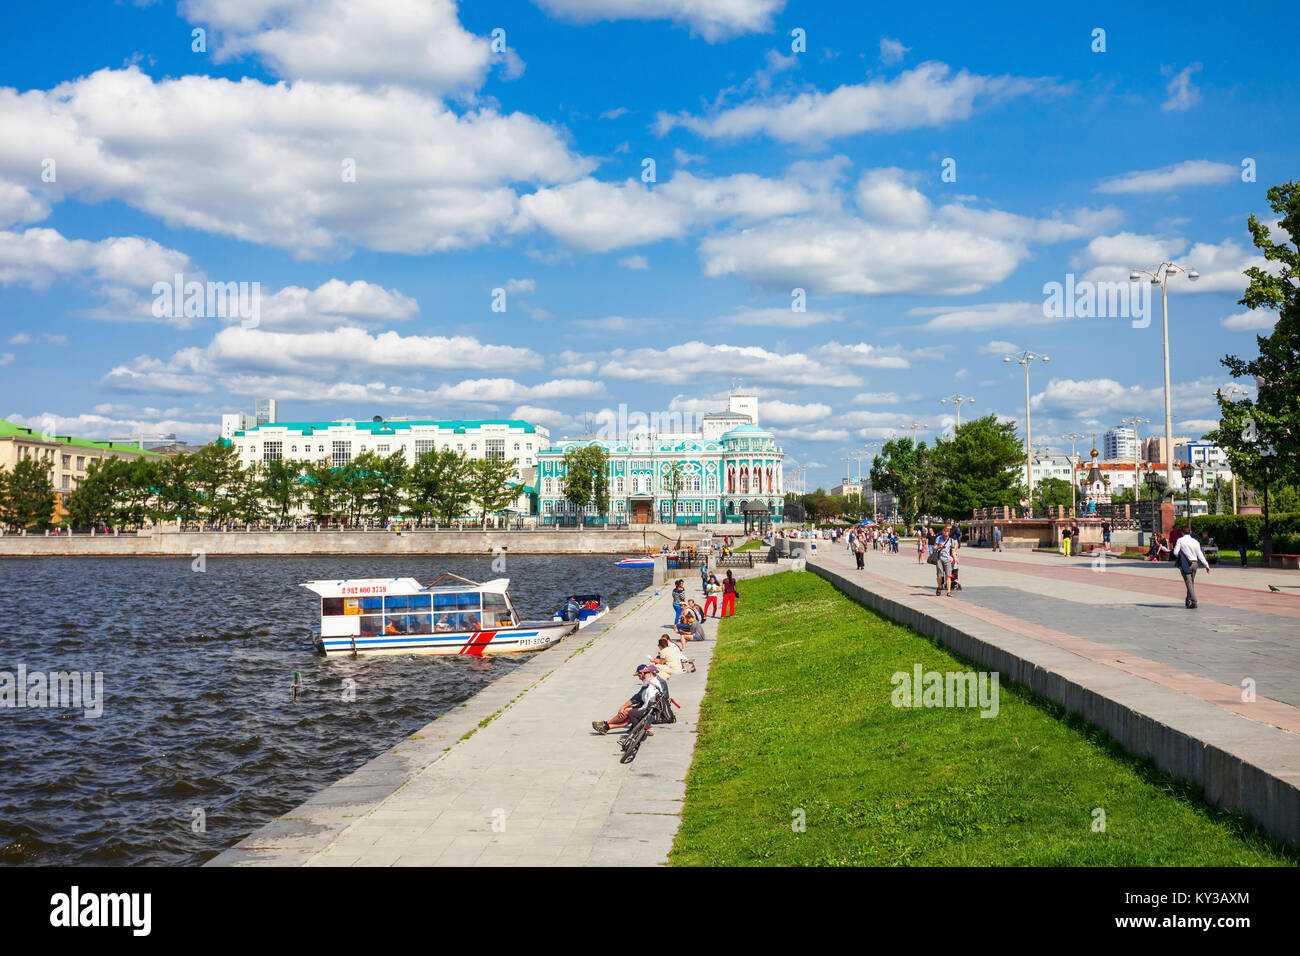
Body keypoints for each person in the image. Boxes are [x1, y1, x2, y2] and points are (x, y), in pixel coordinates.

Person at [592, 664, 663, 734]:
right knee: (628, 715)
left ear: (644, 673)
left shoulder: (650, 683)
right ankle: (607, 727)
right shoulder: (656, 680)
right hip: (652, 707)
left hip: (651, 709)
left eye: (639, 675)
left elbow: (638, 697)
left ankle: (605, 724)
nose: (639, 678)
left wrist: (623, 707)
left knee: (626, 712)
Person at [1172, 531, 1211, 609]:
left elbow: (1175, 552)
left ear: (1182, 532)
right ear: (1190, 532)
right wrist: (1206, 565)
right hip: (1195, 563)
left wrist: (1181, 555)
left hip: (1186, 563)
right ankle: (1188, 600)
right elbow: (1200, 554)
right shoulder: (1195, 541)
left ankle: (1194, 601)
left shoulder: (1180, 540)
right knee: (1191, 582)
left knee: (1188, 582)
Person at [933, 523, 958, 596]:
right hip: (939, 559)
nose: (945, 536)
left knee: (949, 575)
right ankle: (939, 587)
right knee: (939, 576)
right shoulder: (939, 538)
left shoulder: (951, 540)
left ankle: (949, 592)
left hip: (947, 559)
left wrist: (954, 559)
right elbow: (934, 547)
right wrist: (939, 547)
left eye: (947, 535)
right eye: (944, 535)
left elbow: (952, 550)